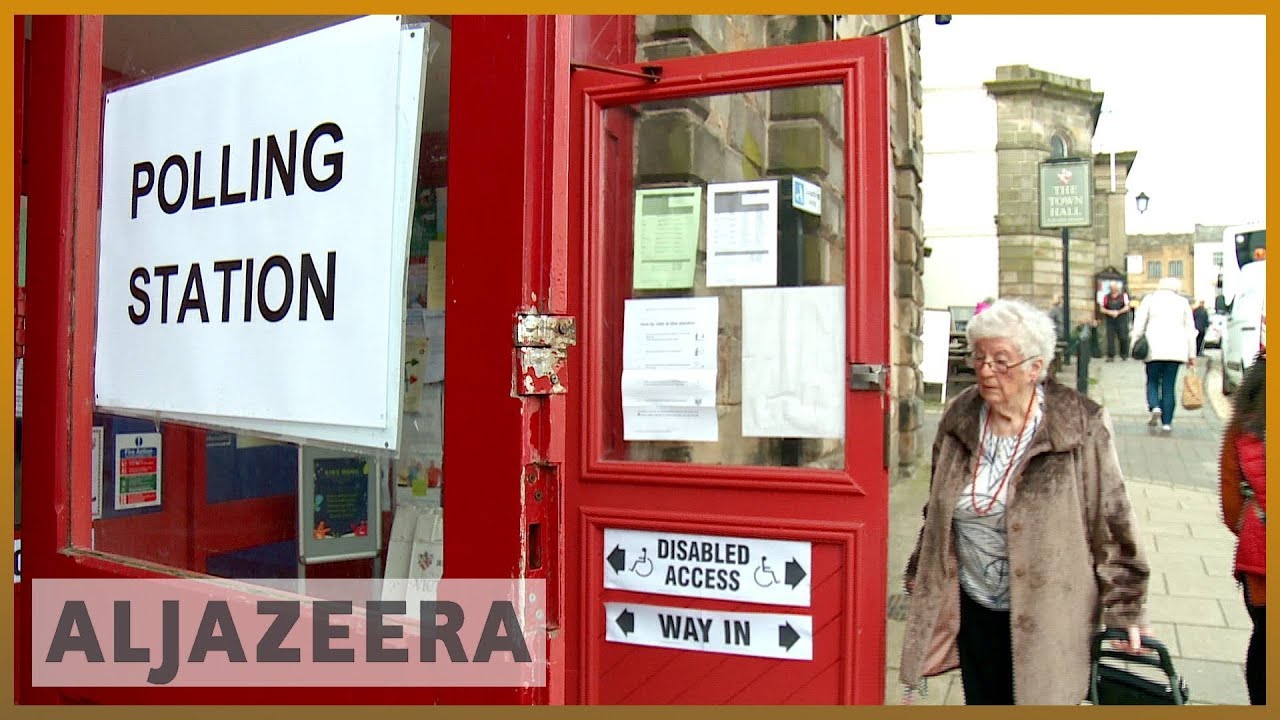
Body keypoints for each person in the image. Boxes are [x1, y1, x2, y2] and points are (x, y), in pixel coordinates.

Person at [899, 298, 1150, 705]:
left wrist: (1127, 609)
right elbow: (936, 509)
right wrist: (921, 573)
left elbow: (1112, 519)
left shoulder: (1079, 423)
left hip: (1051, 609)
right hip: (974, 604)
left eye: (1002, 361)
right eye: (980, 358)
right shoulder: (958, 417)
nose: (985, 371)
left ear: (1036, 367)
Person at [1219, 350, 1266, 705]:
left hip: (1259, 554)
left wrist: (1250, 525)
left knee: (1263, 639)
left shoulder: (1243, 422)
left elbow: (1231, 501)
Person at [1130, 277, 1197, 434]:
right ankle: (1167, 422)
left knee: (1152, 381)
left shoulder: (1150, 300)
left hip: (1153, 349)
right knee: (1169, 386)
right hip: (1176, 351)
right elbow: (1190, 330)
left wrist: (1134, 344)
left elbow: (1139, 324)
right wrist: (1191, 355)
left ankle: (1155, 406)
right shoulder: (1183, 303)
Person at [1099, 281, 1132, 361]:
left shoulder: (1123, 296)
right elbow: (1102, 308)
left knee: (1123, 337)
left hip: (1121, 319)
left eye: (1115, 287)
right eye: (1112, 287)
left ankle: (1124, 355)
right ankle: (1110, 356)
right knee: (1110, 338)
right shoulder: (1106, 297)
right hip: (1110, 320)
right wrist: (1109, 312)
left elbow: (1127, 307)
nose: (1113, 289)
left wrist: (1118, 312)